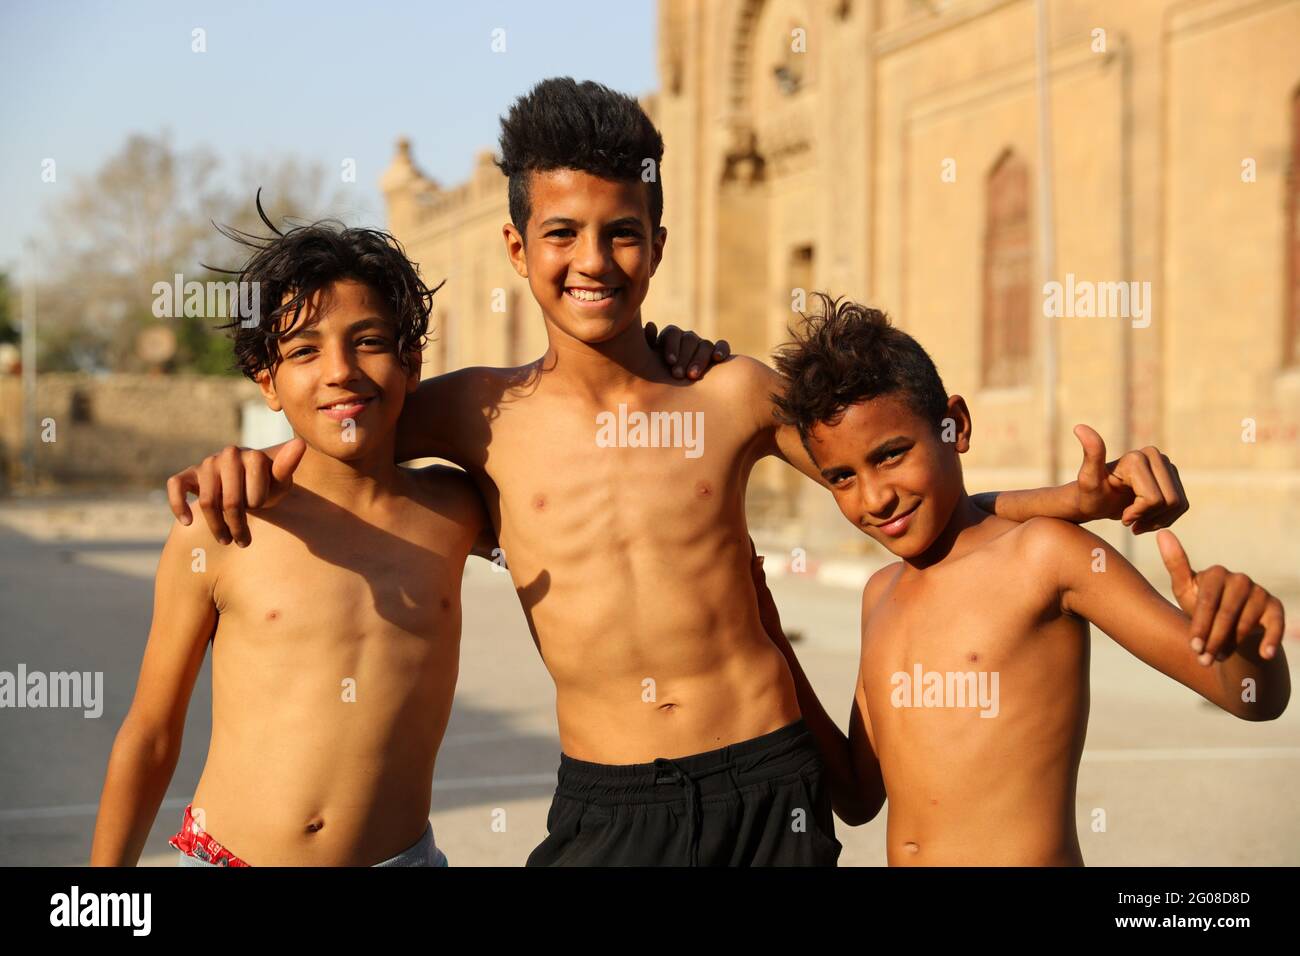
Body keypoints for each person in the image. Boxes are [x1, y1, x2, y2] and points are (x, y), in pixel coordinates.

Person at [167, 79, 1194, 867]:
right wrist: (250, 461)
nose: (593, 259)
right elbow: (348, 425)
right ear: (516, 247)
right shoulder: (475, 410)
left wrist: (1064, 501)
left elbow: (880, 488)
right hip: (608, 800)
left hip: (766, 779)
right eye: (562, 234)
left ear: (657, 244)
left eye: (623, 233)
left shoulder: (733, 392)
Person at [755, 293, 1289, 865]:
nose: (875, 497)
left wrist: (1244, 644)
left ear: (954, 425)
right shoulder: (878, 594)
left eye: (891, 455)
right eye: (841, 477)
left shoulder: (1045, 555)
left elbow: (1251, 699)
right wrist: (768, 638)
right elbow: (859, 797)